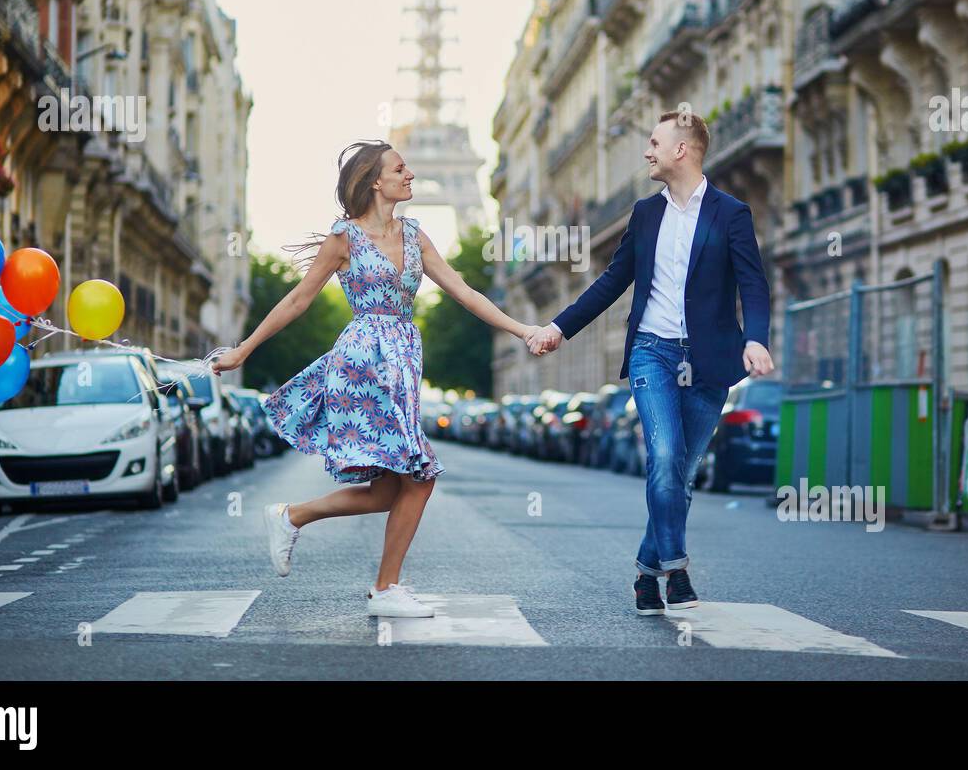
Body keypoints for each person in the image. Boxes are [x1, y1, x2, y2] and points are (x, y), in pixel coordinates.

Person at [210, 140, 541, 618]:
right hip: (363, 366)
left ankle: (293, 516)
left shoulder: (415, 235)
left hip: (402, 362)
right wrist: (244, 349)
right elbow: (298, 300)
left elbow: (465, 292)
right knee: (421, 475)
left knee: (389, 491)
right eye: (401, 169)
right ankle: (386, 588)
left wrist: (523, 328)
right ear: (375, 181)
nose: (410, 176)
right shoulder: (343, 238)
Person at [527, 109, 775, 615]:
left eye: (654, 142)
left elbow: (753, 283)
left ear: (681, 150)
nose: (646, 151)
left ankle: (645, 575)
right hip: (652, 351)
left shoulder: (731, 214)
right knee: (662, 459)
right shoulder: (645, 214)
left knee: (680, 476)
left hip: (710, 361)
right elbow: (612, 282)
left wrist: (757, 339)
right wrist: (558, 327)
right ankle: (676, 571)